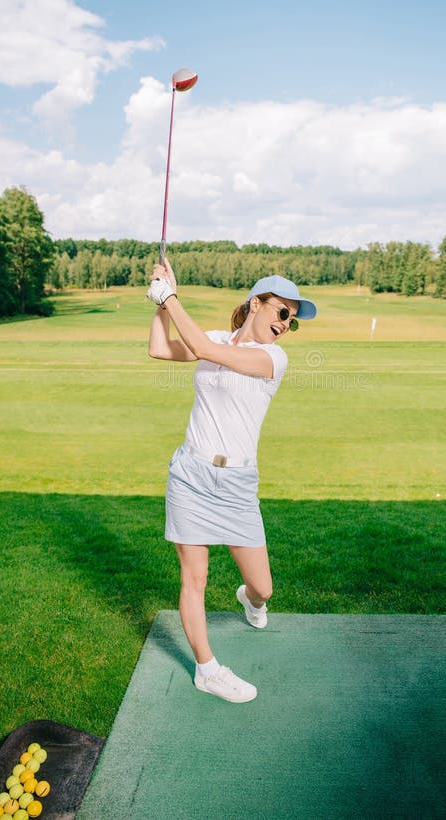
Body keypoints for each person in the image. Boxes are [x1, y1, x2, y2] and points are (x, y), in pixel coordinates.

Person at [147, 260, 317, 703]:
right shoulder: (221, 340)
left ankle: (251, 600)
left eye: (291, 319)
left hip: (237, 484)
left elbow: (201, 347)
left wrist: (170, 296)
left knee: (264, 587)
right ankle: (207, 669)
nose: (286, 323)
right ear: (256, 303)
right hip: (190, 475)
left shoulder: (273, 360)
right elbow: (160, 350)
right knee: (194, 579)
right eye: (281, 311)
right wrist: (160, 302)